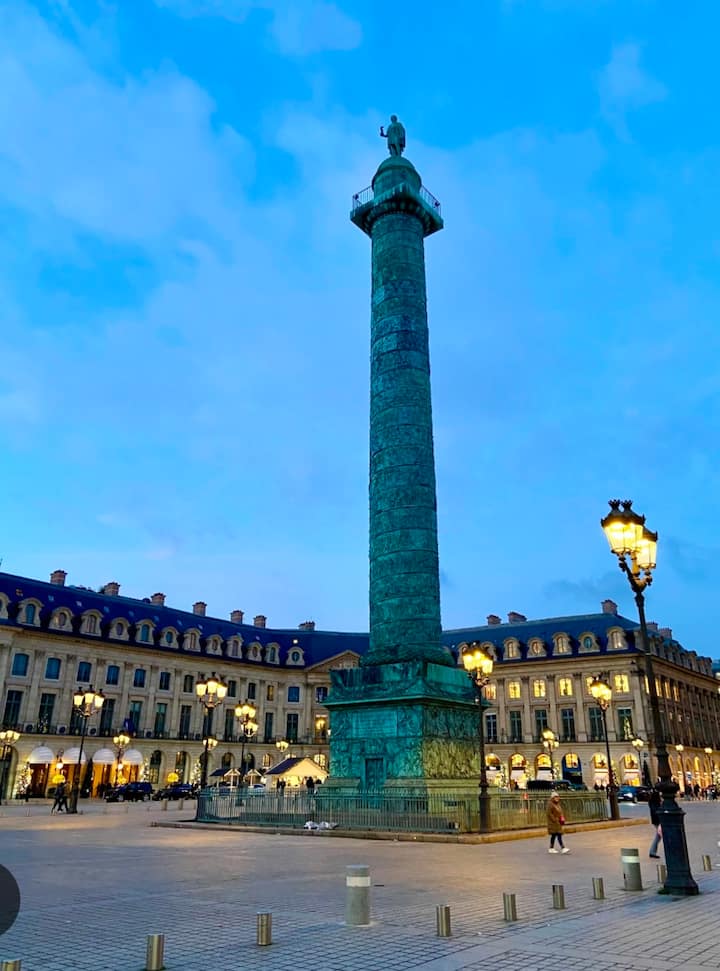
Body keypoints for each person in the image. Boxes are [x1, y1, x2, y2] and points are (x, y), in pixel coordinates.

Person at [648, 788, 662, 858]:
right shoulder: (655, 803)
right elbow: (656, 812)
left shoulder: (651, 802)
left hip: (655, 820)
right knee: (659, 835)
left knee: (659, 836)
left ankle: (652, 851)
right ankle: (652, 851)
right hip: (658, 821)